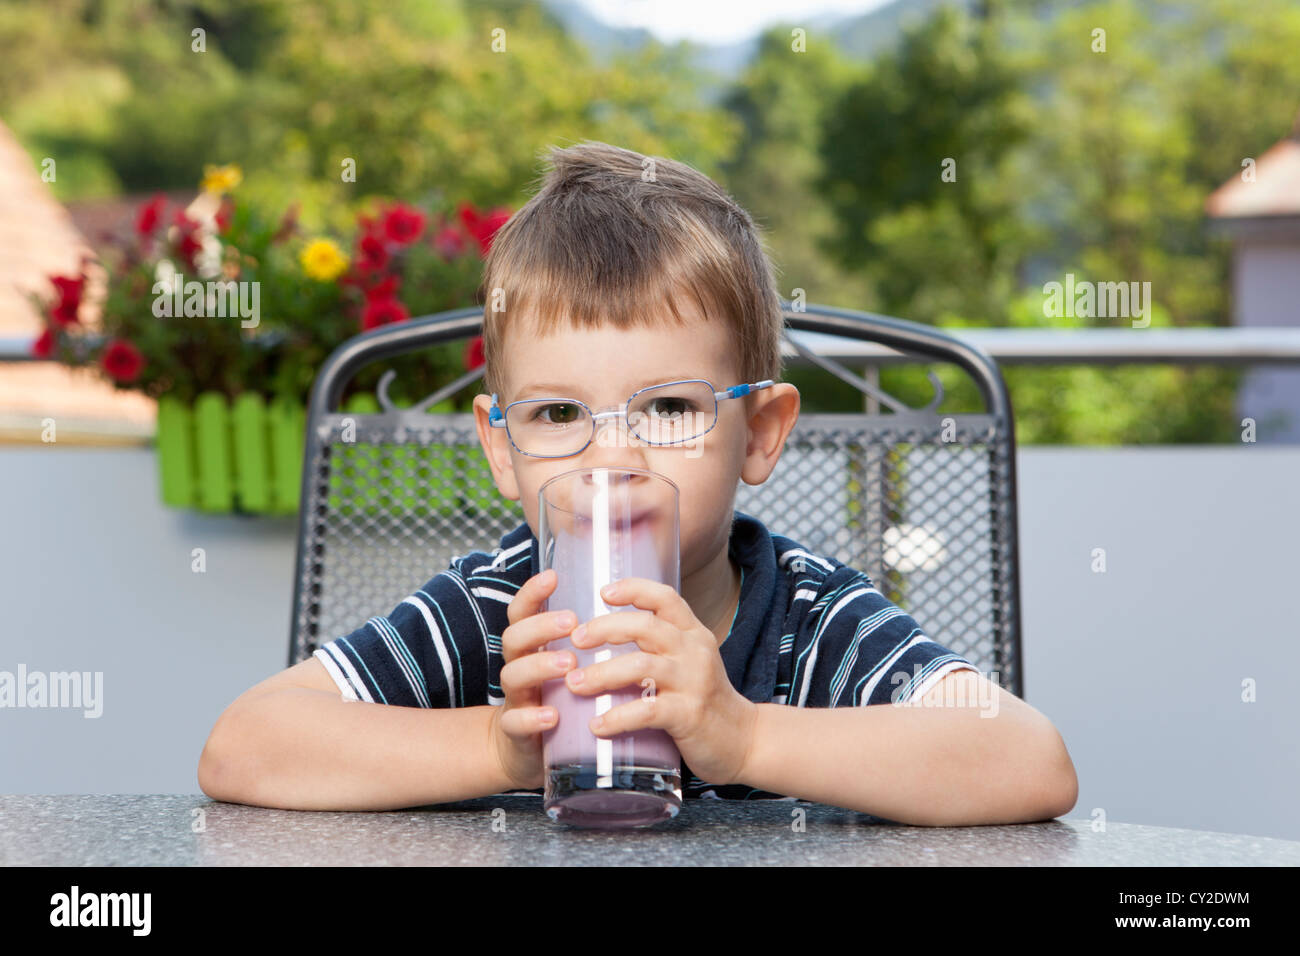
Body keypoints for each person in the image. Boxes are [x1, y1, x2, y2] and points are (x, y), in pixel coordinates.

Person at [199, 141, 1077, 825]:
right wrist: (503, 748)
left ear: (759, 434)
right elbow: (244, 749)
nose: (611, 460)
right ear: (501, 447)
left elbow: (1030, 761)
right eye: (556, 416)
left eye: (665, 408)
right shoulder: (501, 610)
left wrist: (745, 734)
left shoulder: (810, 620)